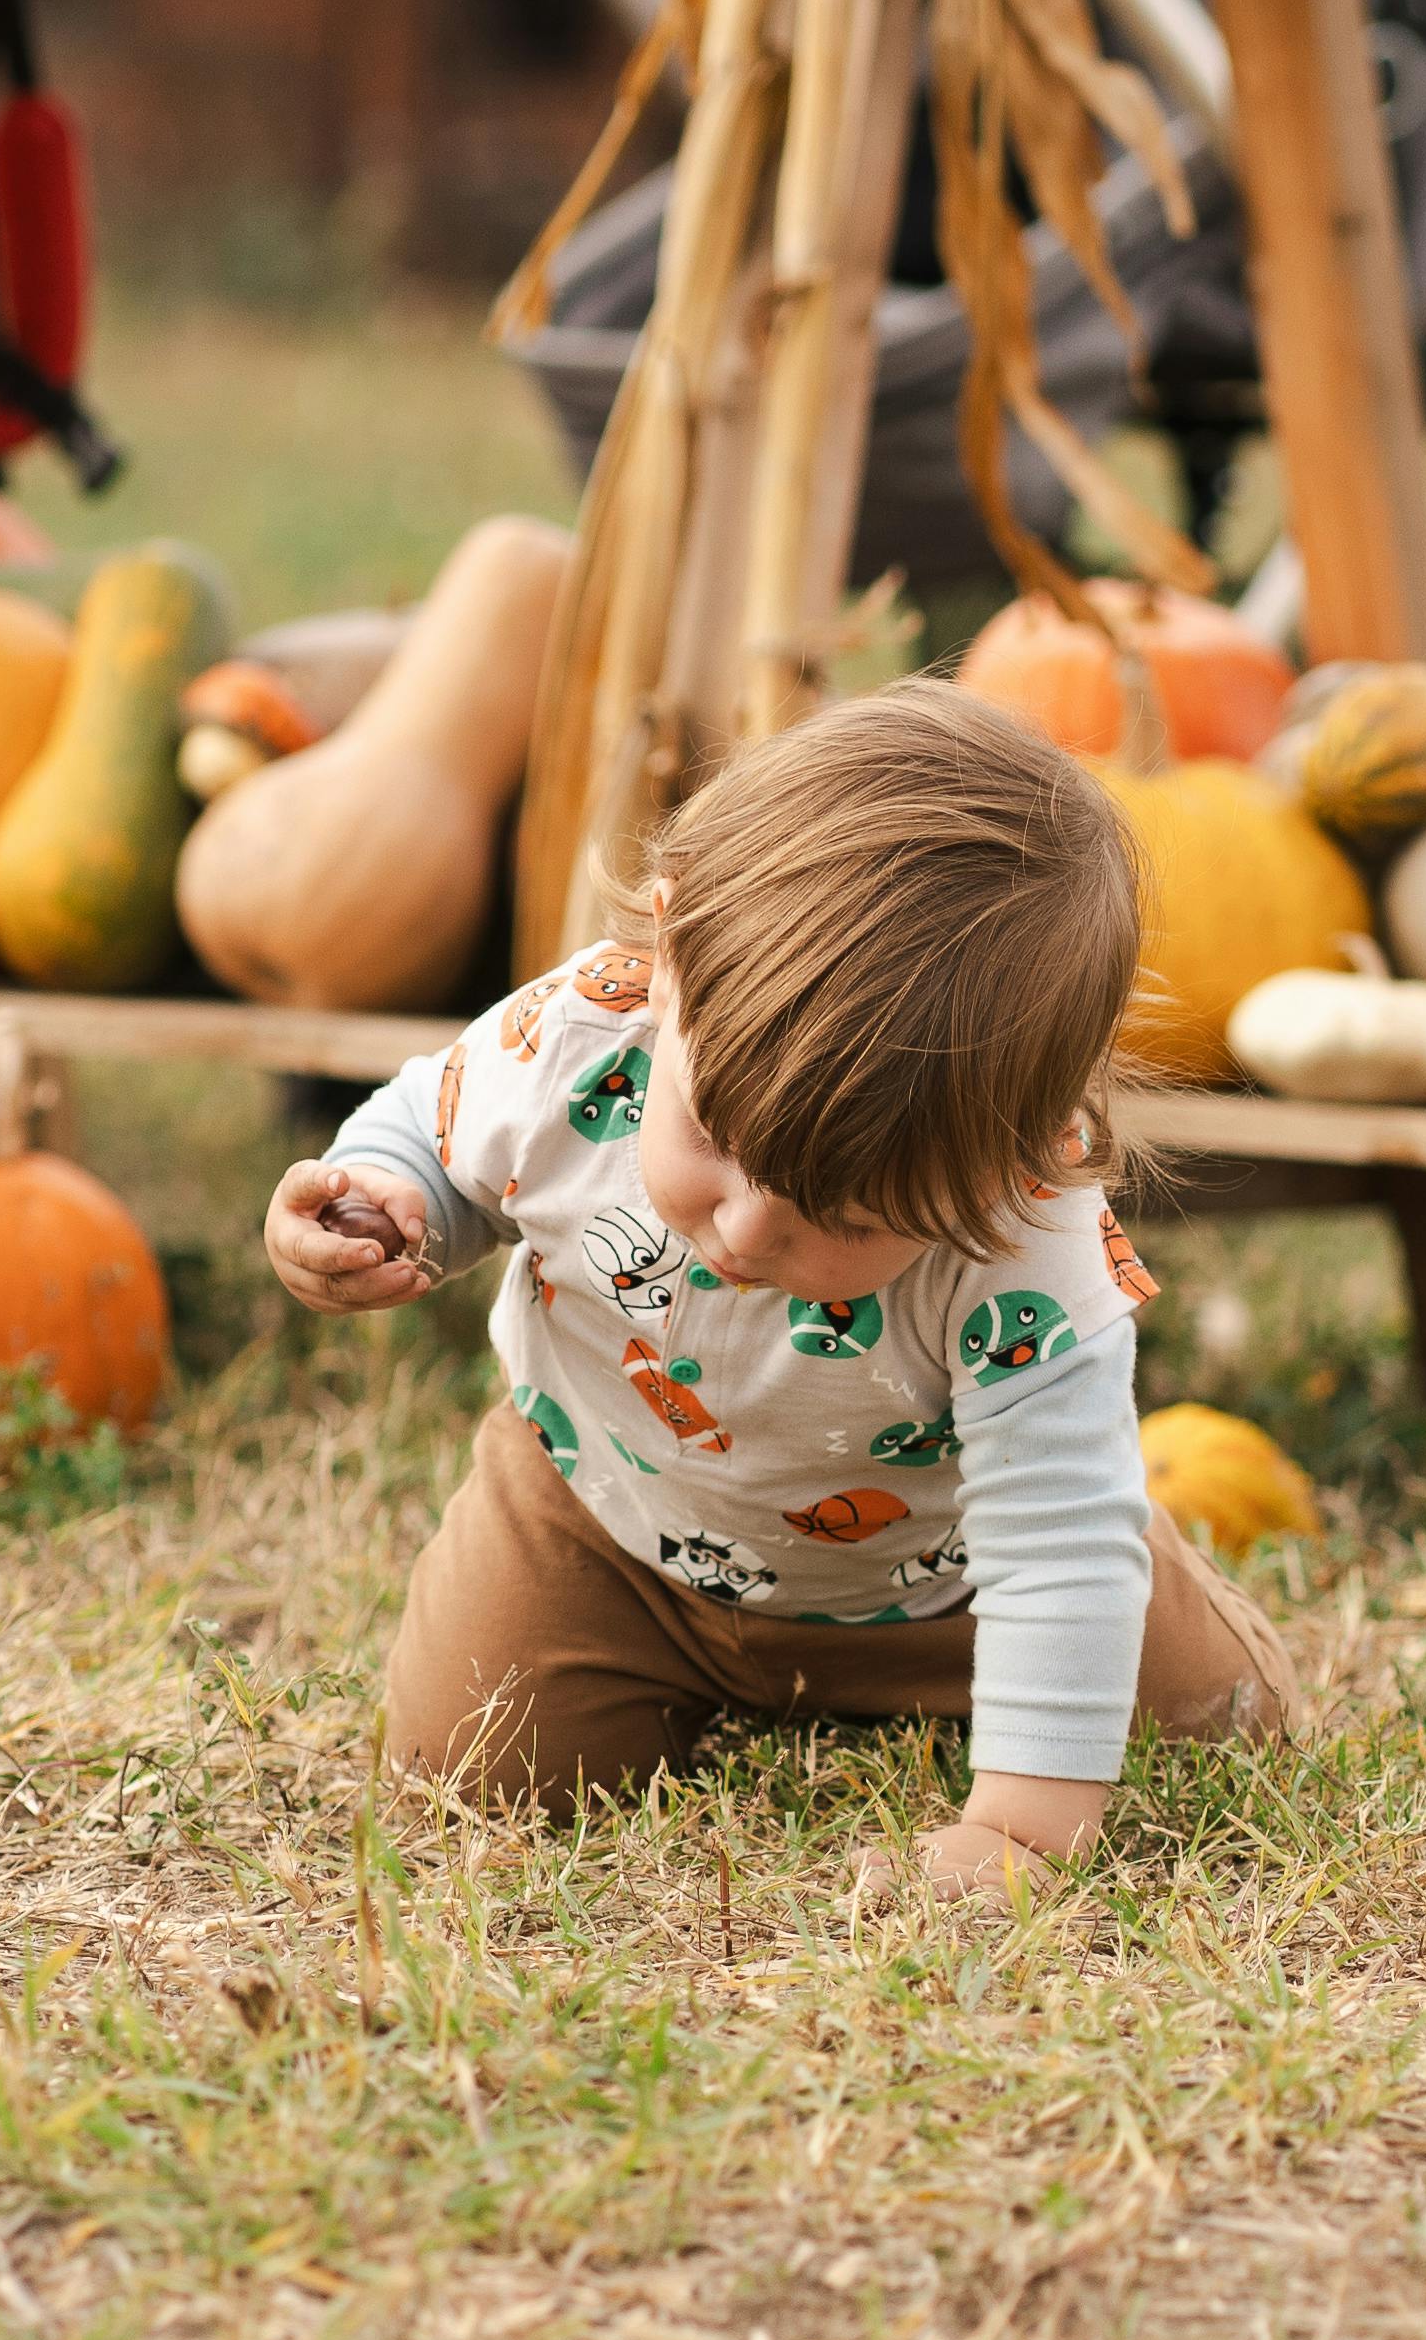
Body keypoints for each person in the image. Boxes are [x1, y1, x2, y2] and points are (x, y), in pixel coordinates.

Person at [263, 683, 1299, 1895]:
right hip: (604, 1521)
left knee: (1205, 1725)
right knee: (467, 1764)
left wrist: (1019, 1828)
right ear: (669, 956)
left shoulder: (1023, 1235)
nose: (743, 1225)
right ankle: (679, 1671)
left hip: (945, 1595)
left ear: (1006, 1157)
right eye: (710, 1135)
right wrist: (389, 1206)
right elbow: (438, 1131)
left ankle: (1170, 1621)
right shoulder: (575, 1043)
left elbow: (1054, 1544)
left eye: (846, 1215)